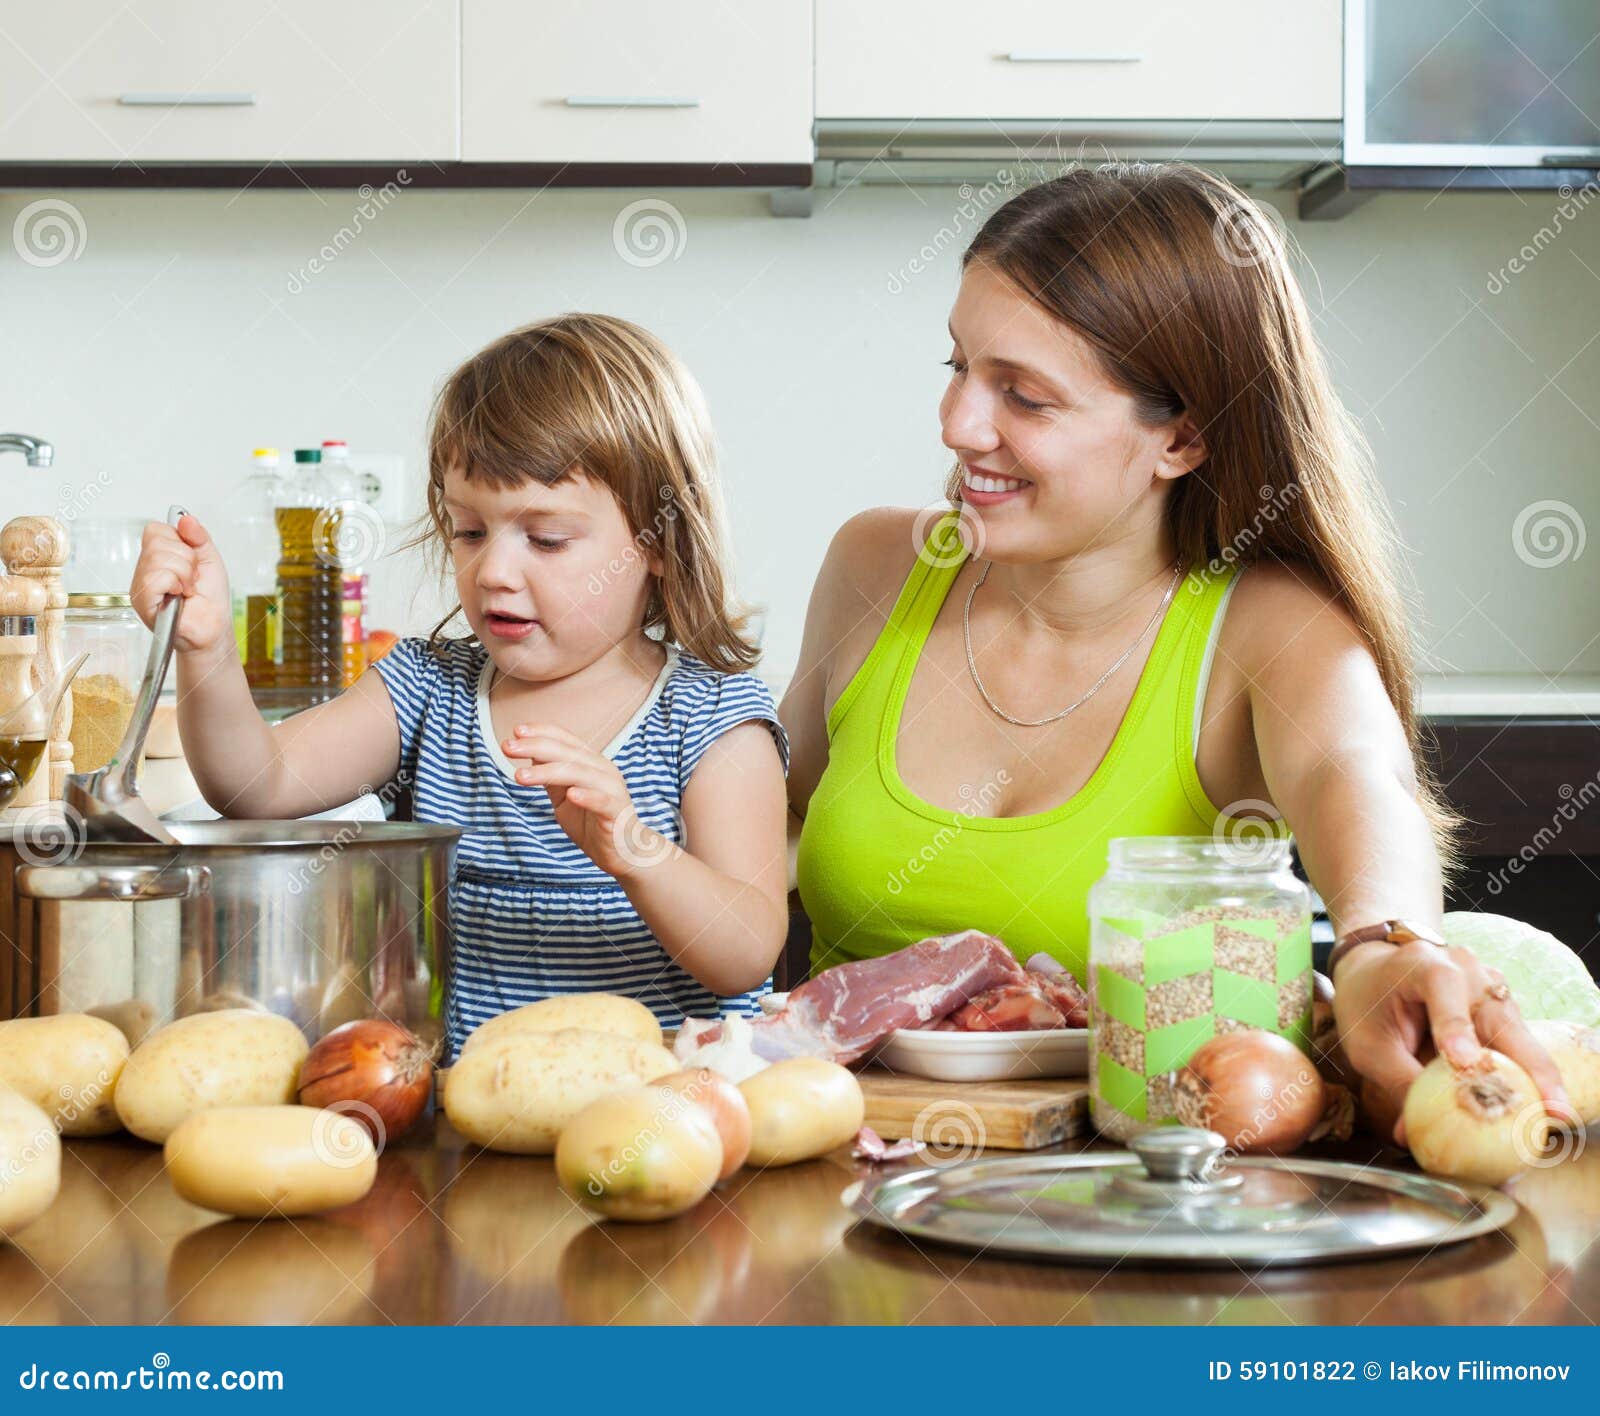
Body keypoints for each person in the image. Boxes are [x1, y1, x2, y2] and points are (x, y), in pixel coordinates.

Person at [780, 163, 1567, 1139]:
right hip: (841, 1169)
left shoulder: (1269, 626)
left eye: (1023, 396)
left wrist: (1378, 941)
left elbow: (1355, 780)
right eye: (958, 369)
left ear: (1182, 439)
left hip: (1149, 1195)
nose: (957, 426)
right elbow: (768, 819)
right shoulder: (874, 568)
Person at [132, 314, 789, 1056]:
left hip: (656, 1125)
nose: (493, 571)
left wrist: (632, 847)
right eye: (470, 531)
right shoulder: (428, 690)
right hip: (464, 1124)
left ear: (660, 544)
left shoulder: (712, 720)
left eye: (545, 539)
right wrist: (207, 647)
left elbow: (747, 951)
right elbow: (257, 785)